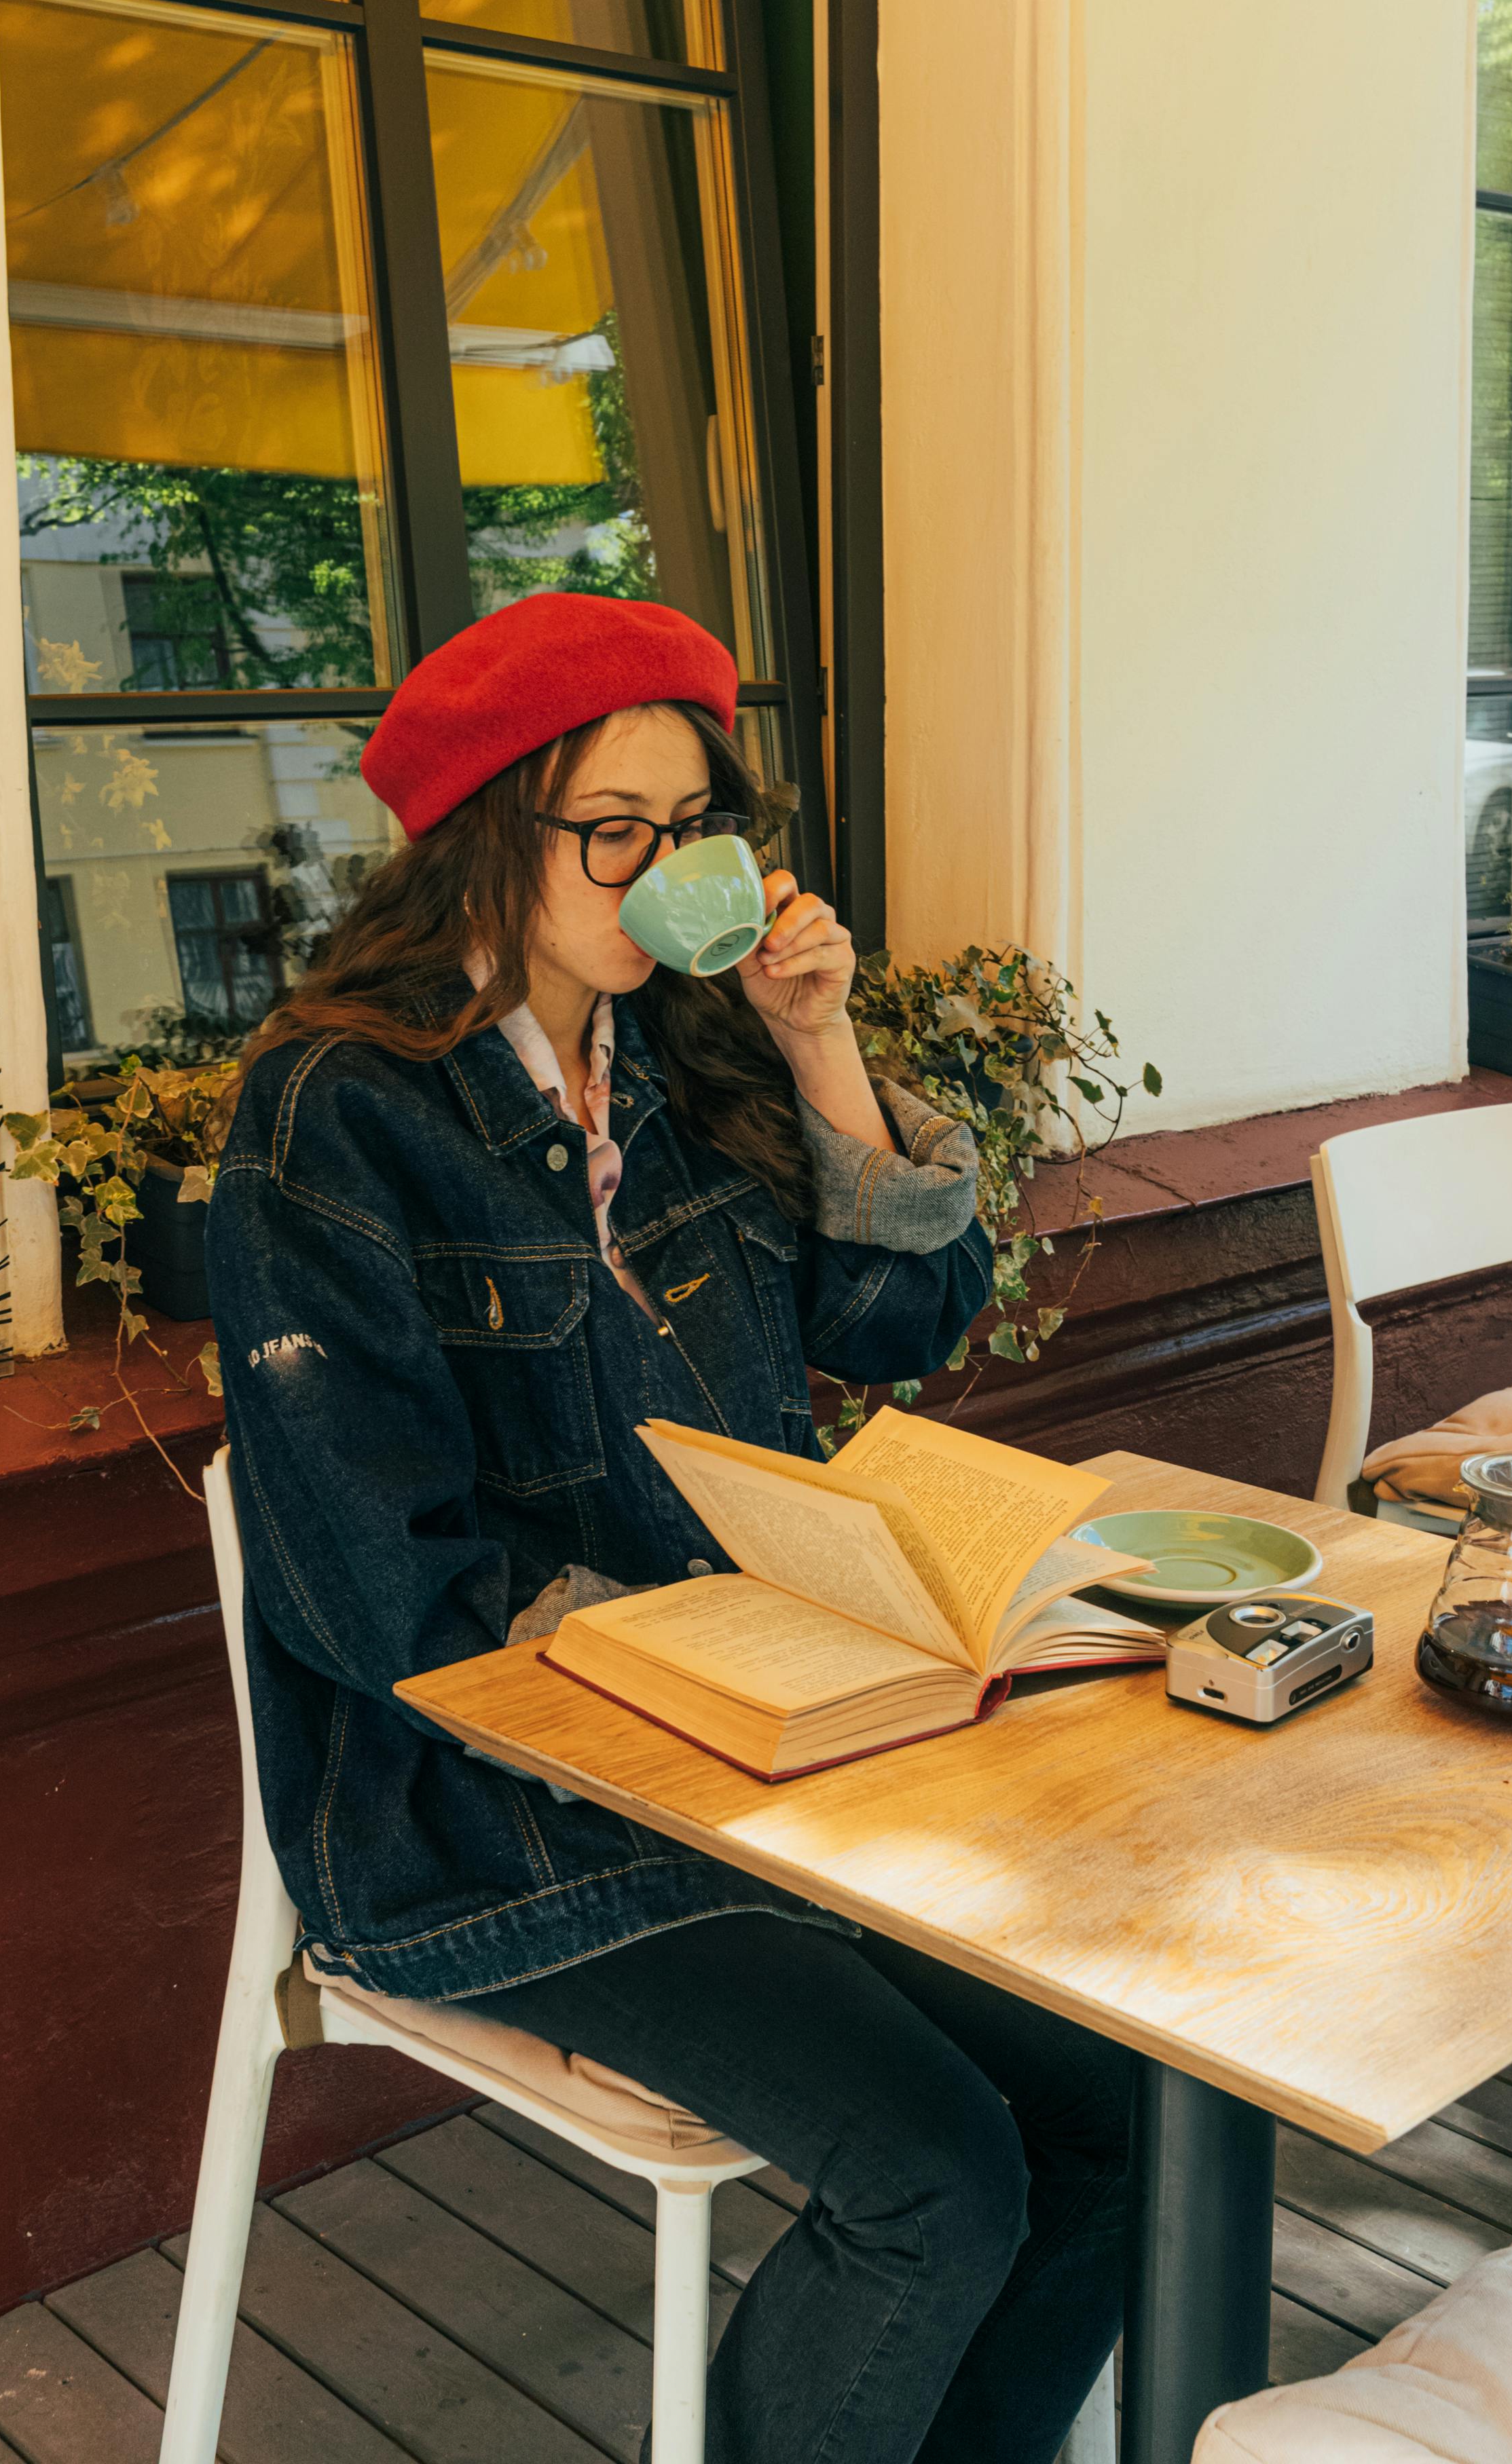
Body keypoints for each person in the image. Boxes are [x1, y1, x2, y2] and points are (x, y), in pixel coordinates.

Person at [206, 592, 1132, 2464]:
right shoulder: (336, 1118)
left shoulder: (687, 1066)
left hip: (776, 1760)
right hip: (492, 1808)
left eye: (695, 824)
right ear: (484, 835)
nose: (668, 869)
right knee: (936, 2176)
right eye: (613, 829)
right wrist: (708, 1663)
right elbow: (377, 1586)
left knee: (1118, 2115)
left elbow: (902, 1324)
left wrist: (819, 1046)